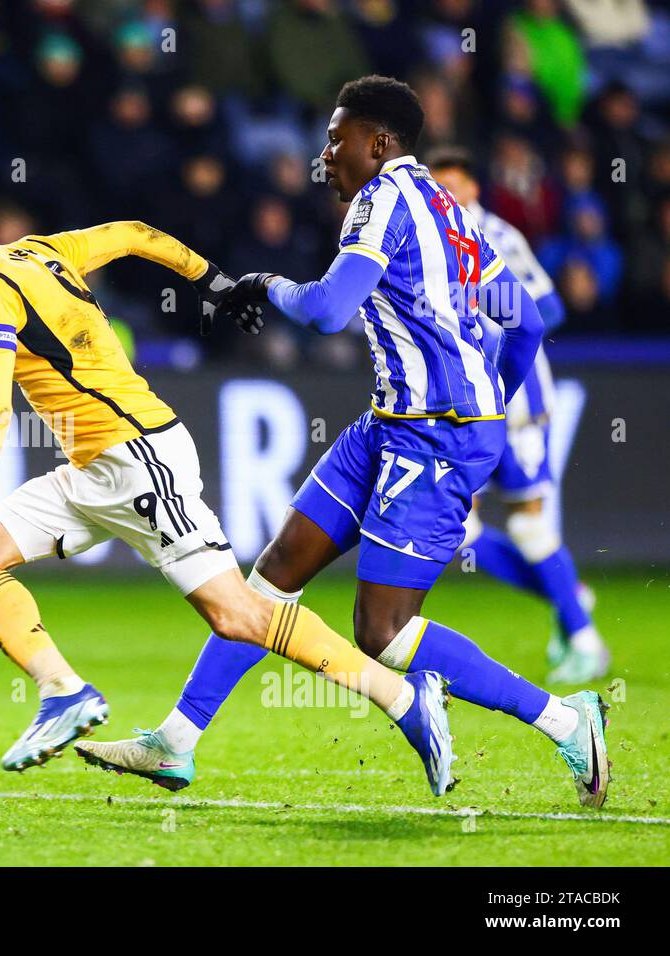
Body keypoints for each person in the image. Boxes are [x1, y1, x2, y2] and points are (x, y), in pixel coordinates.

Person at [77, 76, 611, 809]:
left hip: (435, 436)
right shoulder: (450, 210)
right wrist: (493, 405)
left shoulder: (382, 201)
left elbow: (329, 310)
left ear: (379, 143)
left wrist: (262, 282)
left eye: (337, 137)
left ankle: (565, 719)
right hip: (397, 423)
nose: (324, 153)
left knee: (382, 634)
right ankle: (177, 740)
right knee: (272, 572)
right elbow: (524, 325)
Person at [0, 179, 457, 795]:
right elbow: (134, 234)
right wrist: (212, 280)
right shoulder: (37, 250)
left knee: (238, 615)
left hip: (138, 461)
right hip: (92, 471)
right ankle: (64, 692)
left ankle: (402, 697)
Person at [426, 146, 609, 684]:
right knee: (460, 531)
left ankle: (584, 638)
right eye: (440, 188)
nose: (448, 196)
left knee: (530, 527)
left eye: (456, 186)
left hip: (519, 401)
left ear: (474, 189)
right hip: (467, 405)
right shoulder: (430, 243)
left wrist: (489, 316)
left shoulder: (497, 239)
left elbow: (548, 309)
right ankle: (570, 597)